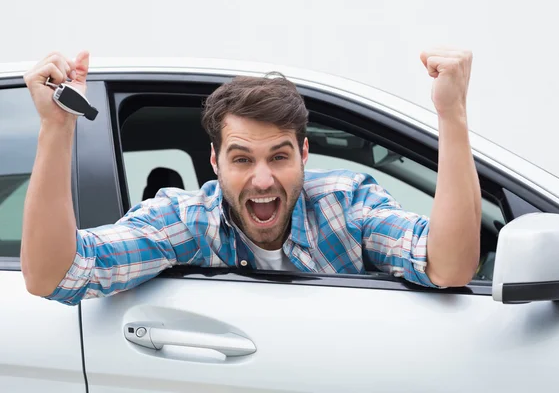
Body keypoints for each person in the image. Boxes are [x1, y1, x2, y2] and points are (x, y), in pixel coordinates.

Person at [20, 48, 481, 306]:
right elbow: (53, 275)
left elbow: (449, 264)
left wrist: (452, 114)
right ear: (215, 163)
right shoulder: (187, 220)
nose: (262, 180)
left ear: (304, 155)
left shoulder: (347, 205)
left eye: (278, 157)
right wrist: (56, 128)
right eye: (242, 160)